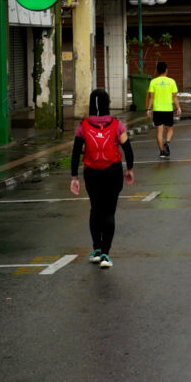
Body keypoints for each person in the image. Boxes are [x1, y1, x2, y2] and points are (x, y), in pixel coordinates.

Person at [70, 88, 135, 269]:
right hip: (112, 172)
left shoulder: (83, 126)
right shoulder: (117, 124)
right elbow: (127, 149)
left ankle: (96, 249)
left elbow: (76, 153)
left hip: (92, 173)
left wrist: (74, 177)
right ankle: (106, 254)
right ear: (108, 104)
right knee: (109, 212)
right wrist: (129, 169)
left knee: (95, 209)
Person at [149, 61, 181, 159]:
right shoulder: (171, 81)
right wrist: (178, 108)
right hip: (168, 109)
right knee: (170, 129)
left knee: (159, 131)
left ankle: (162, 152)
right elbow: (174, 97)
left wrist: (148, 109)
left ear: (157, 70)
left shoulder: (153, 82)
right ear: (166, 70)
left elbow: (151, 97)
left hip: (157, 110)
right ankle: (167, 143)